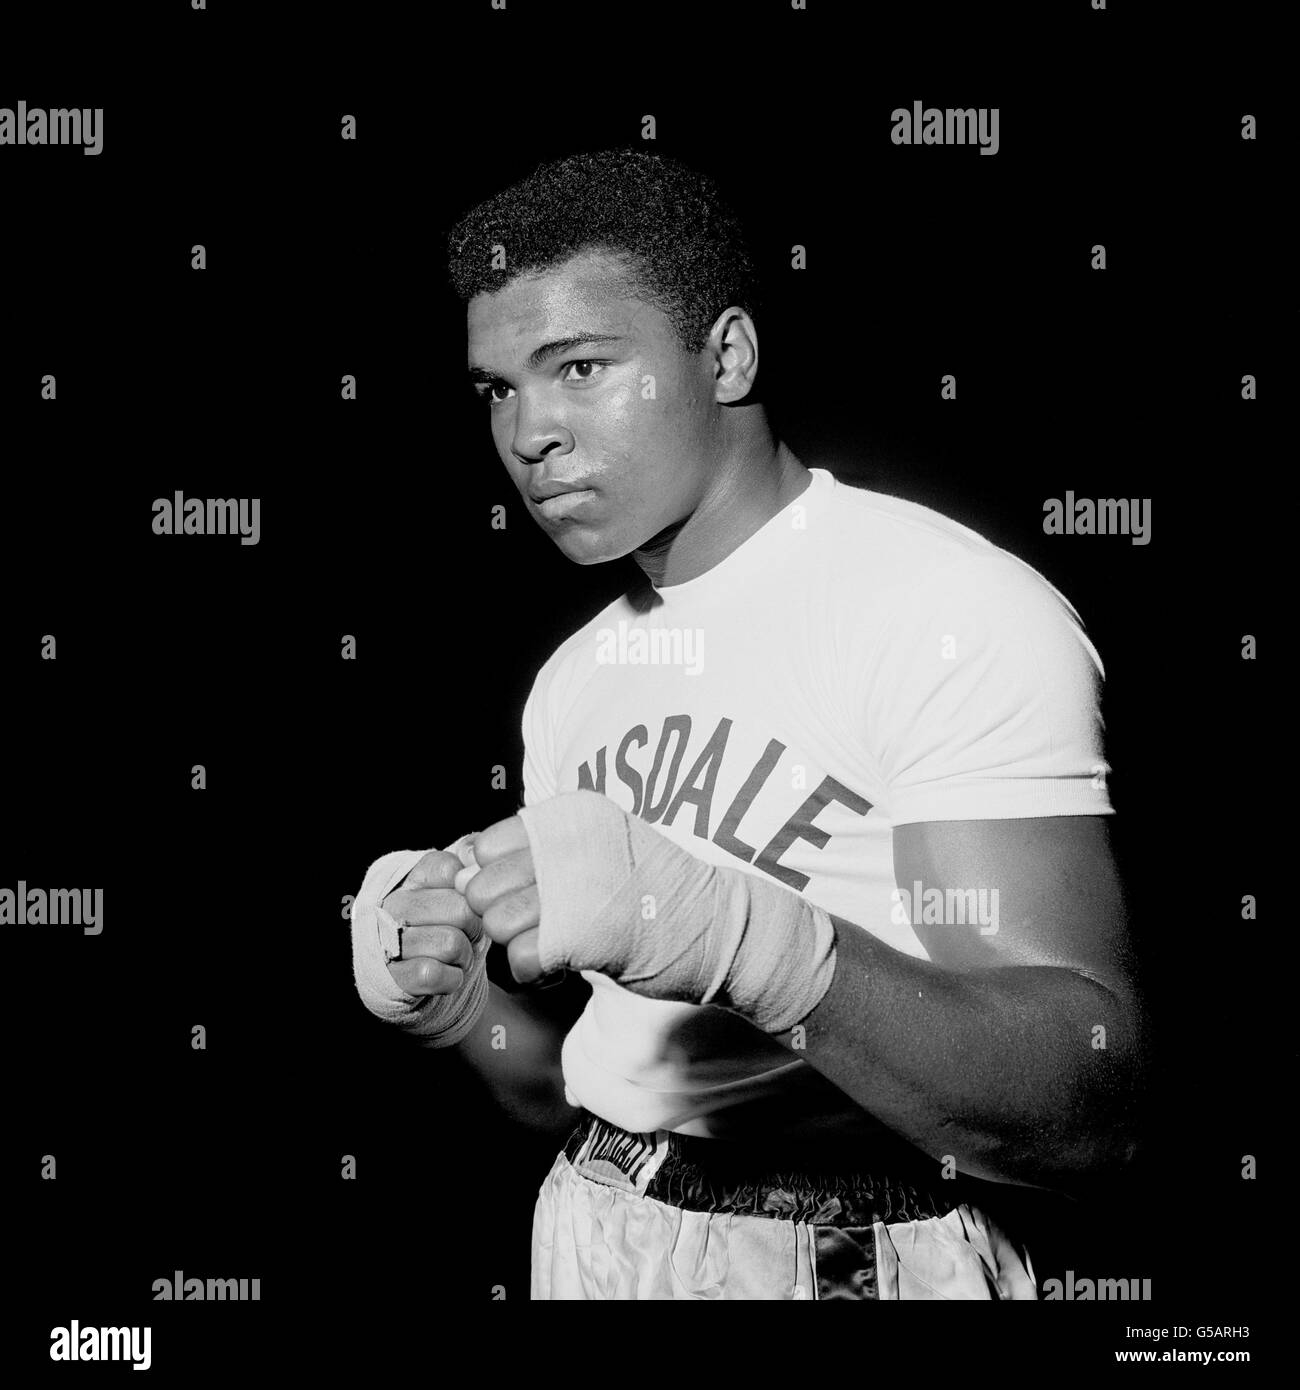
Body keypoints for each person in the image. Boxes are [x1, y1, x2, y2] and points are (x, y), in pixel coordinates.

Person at [349, 148, 1147, 1300]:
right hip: (593, 1224)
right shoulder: (574, 679)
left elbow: (1084, 1108)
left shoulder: (941, 608)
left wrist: (737, 934)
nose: (530, 435)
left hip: (848, 1249)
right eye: (497, 390)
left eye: (578, 365)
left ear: (725, 354)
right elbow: (598, 1094)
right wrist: (463, 1009)